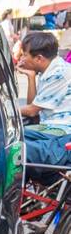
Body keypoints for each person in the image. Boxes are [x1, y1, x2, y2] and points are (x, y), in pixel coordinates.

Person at [19, 30, 71, 166]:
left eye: (25, 54)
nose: (22, 59)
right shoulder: (48, 70)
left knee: (12, 140)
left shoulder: (59, 73)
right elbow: (33, 105)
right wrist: (31, 76)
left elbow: (32, 110)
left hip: (62, 130)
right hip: (49, 126)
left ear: (39, 58)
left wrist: (4, 111)